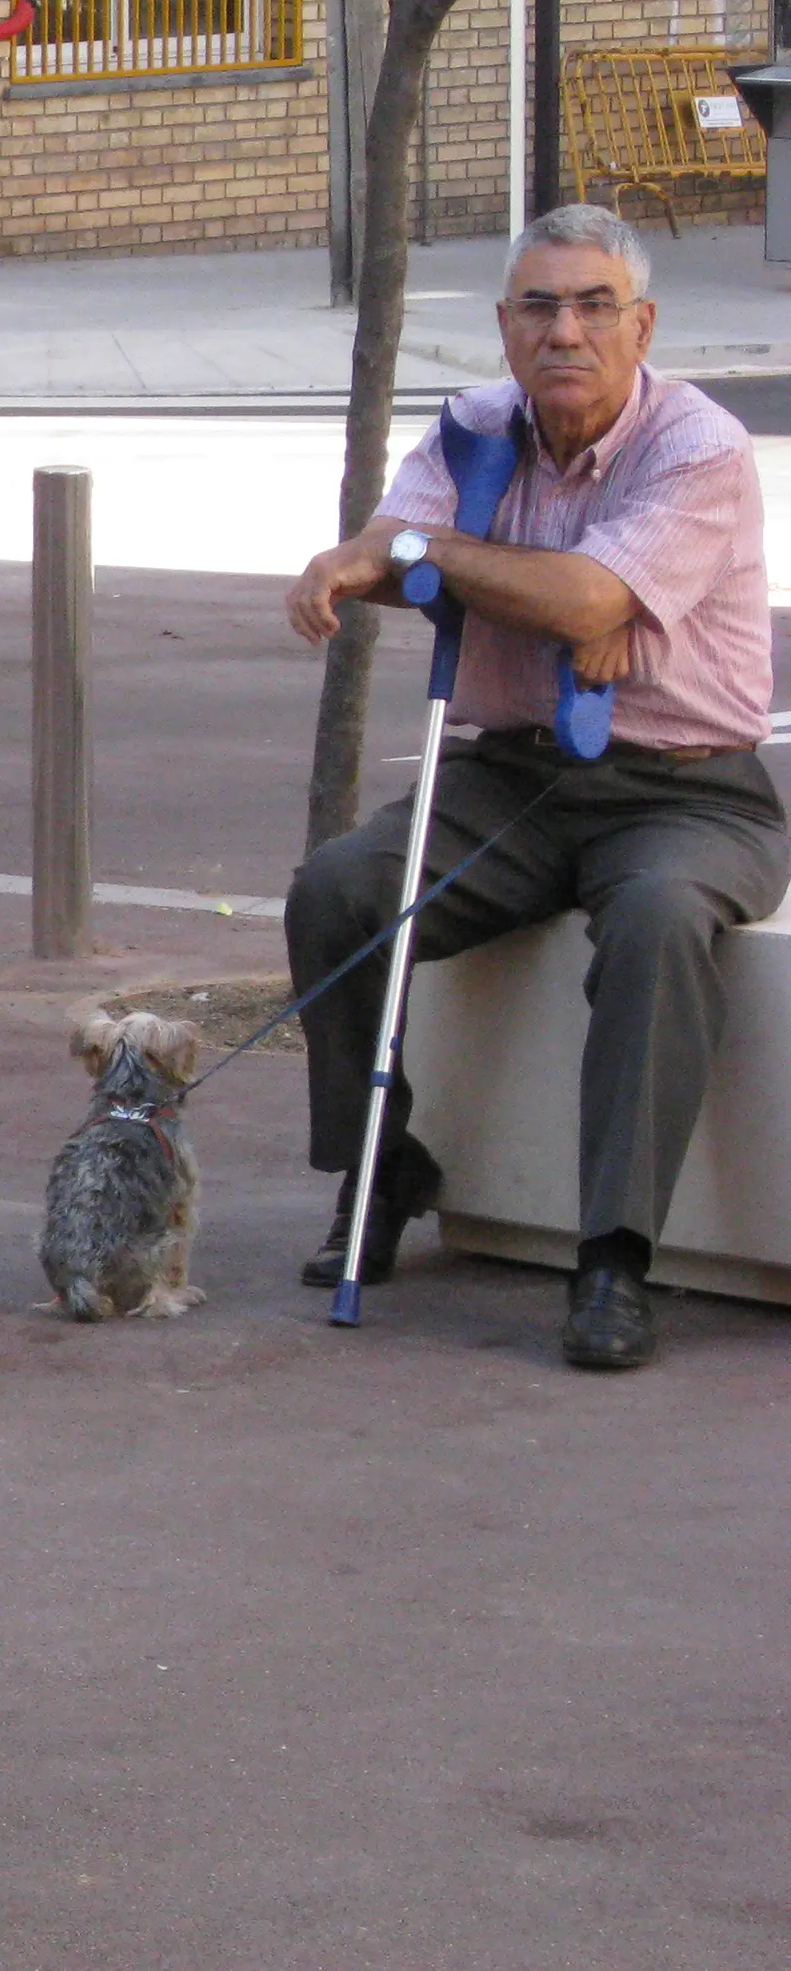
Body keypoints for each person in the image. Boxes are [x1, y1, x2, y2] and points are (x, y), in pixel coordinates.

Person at [282, 203, 784, 1371]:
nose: (567, 330)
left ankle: (614, 1254)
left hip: (690, 788)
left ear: (642, 323)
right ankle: (383, 1163)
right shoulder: (472, 431)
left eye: (594, 305)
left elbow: (575, 602)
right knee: (339, 891)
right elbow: (381, 552)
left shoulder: (697, 445)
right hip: (515, 774)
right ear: (505, 328)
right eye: (540, 306)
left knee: (659, 920)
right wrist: (394, 559)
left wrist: (454, 562)